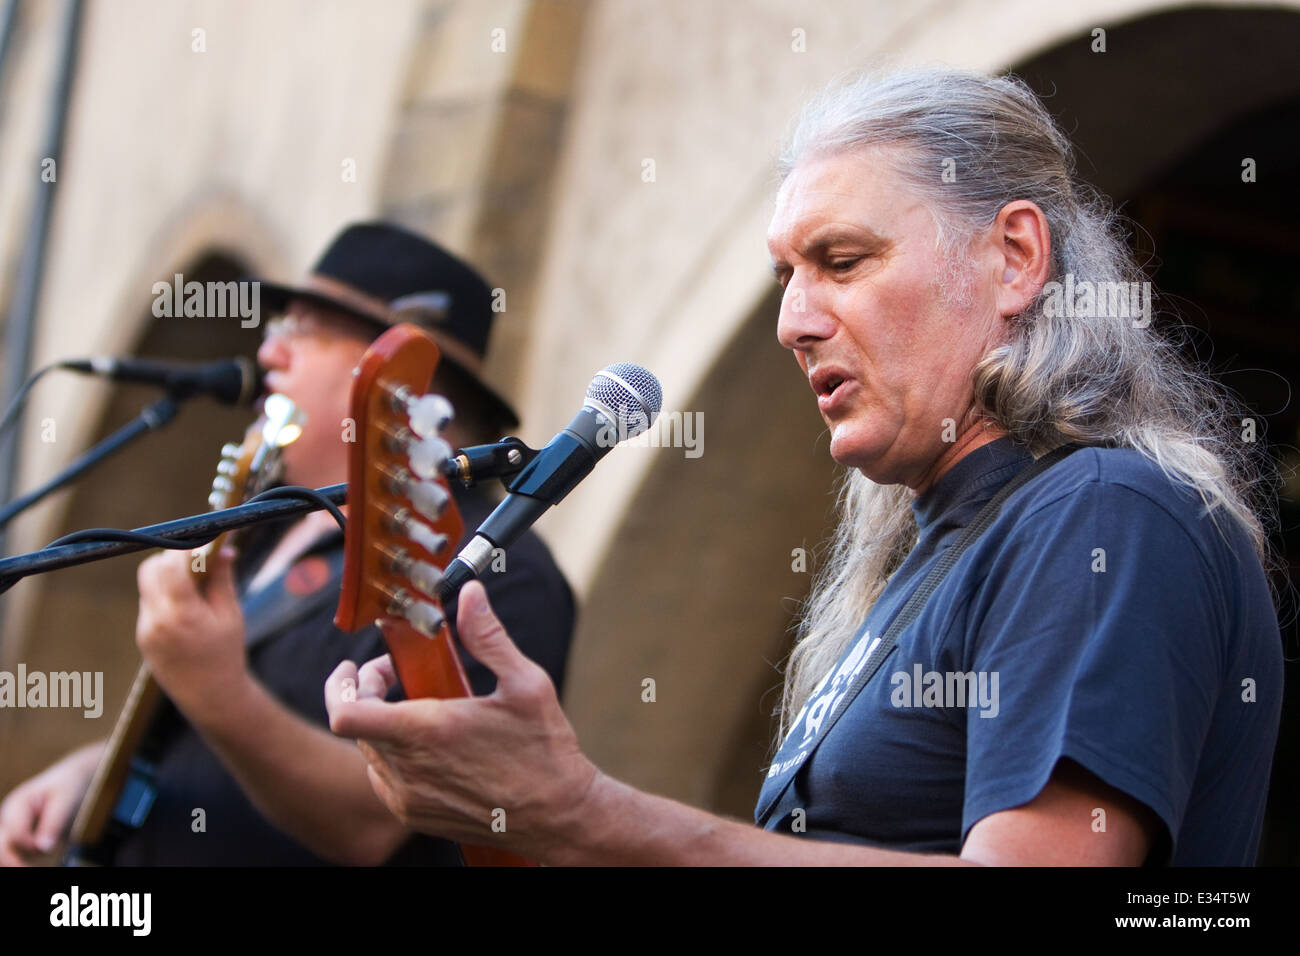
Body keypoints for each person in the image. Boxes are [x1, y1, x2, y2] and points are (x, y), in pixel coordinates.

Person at [324, 70, 1284, 866]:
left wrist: (587, 813)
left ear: (1015, 256)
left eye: (842, 259)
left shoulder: (1105, 514)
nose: (793, 323)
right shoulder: (940, 551)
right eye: (787, 276)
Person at [0, 222, 574, 866]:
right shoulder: (263, 523)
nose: (268, 353)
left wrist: (218, 691)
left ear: (403, 377)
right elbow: (196, 744)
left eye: (302, 328)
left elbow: (382, 823)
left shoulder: (501, 567)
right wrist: (89, 771)